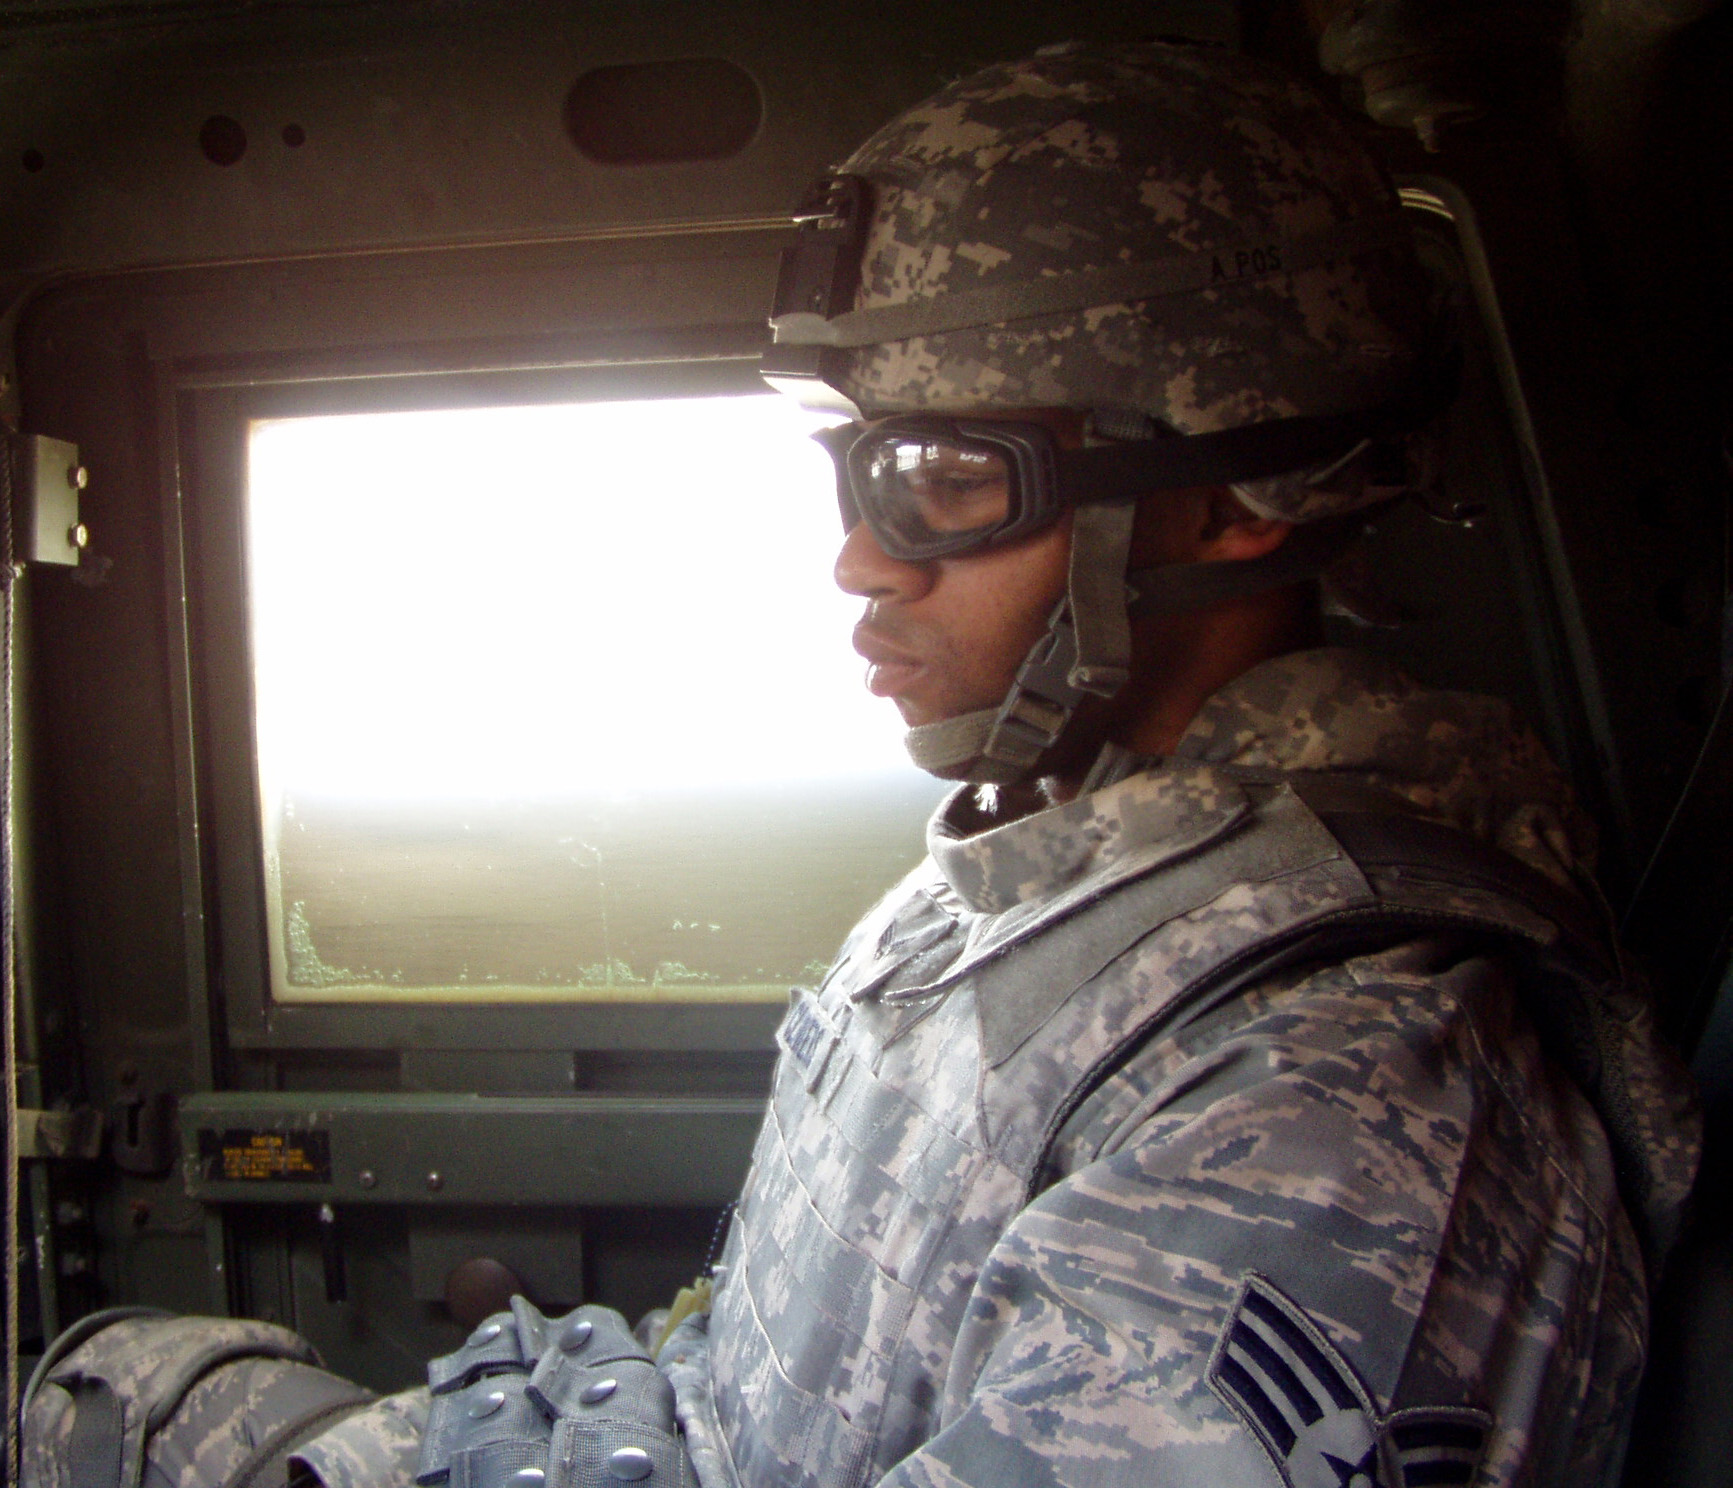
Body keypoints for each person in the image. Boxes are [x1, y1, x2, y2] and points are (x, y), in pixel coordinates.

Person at [23, 38, 1701, 1488]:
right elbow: (772, 1400)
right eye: (850, 470)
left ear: (1234, 500)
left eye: (943, 481)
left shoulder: (1338, 1092)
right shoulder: (1089, 865)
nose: (861, 562)